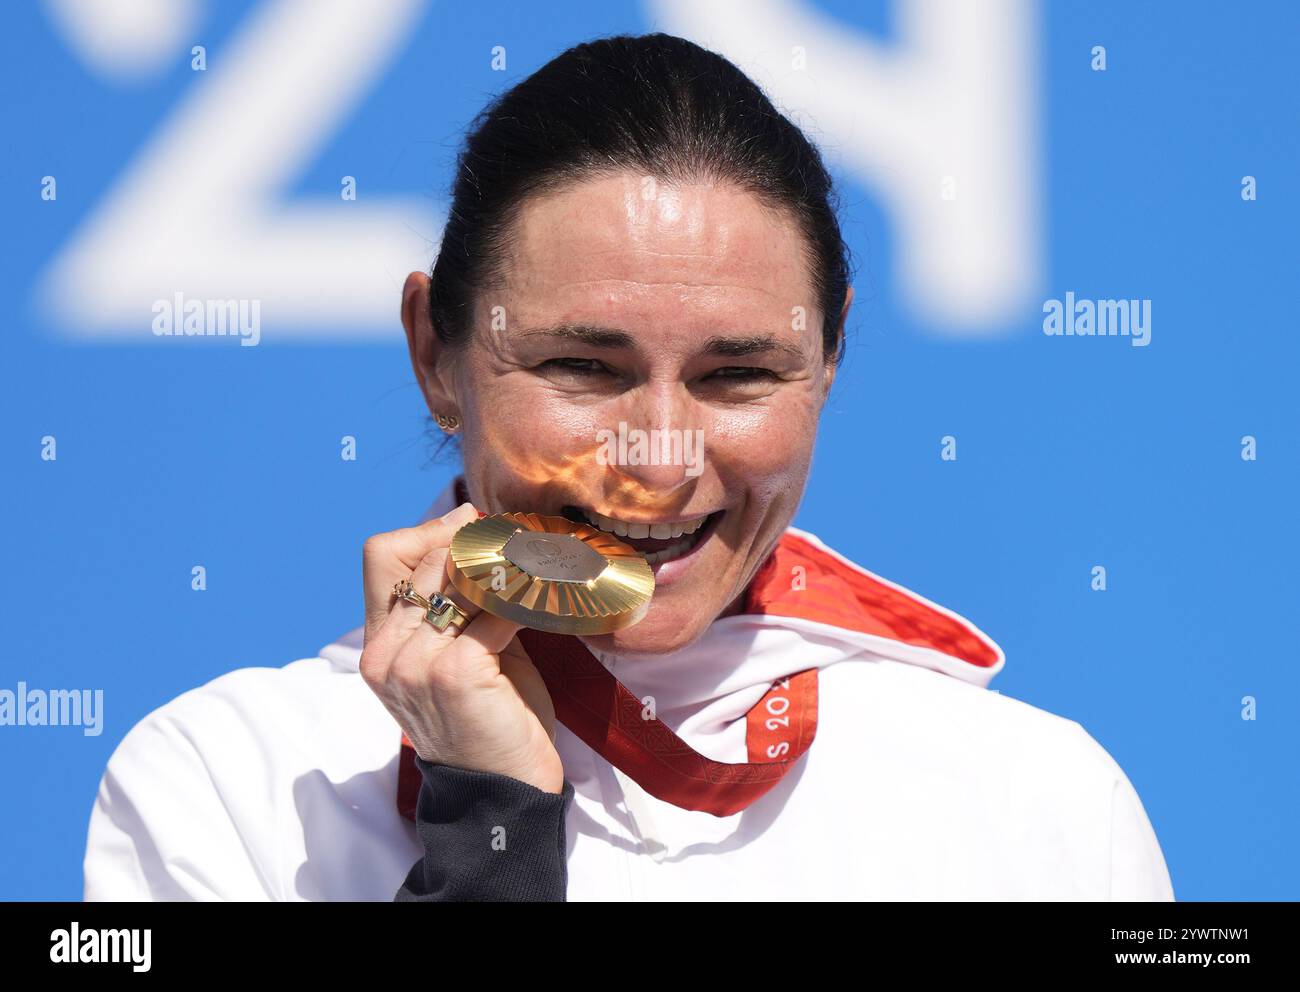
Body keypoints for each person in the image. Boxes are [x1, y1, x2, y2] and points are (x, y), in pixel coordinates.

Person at [82, 33, 1174, 901]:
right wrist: (491, 831)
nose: (657, 457)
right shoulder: (231, 786)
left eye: (738, 372)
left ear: (829, 356)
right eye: (581, 366)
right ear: (436, 355)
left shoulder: (1039, 802)